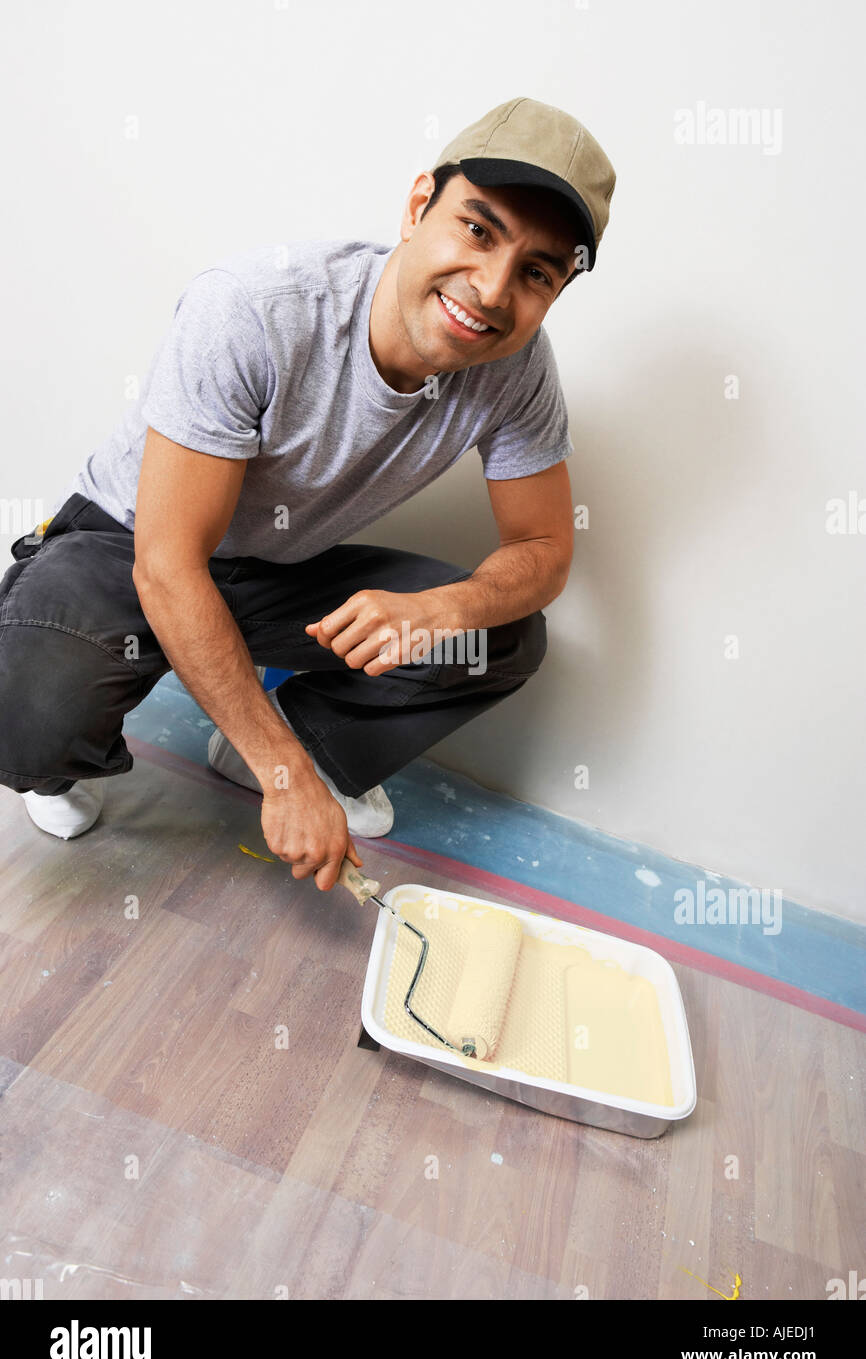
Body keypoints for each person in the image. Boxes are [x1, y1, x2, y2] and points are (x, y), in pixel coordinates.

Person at [0, 96, 615, 891]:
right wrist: (286, 779)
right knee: (24, 723)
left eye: (536, 272)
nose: (494, 291)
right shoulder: (255, 310)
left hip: (274, 566)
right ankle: (64, 758)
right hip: (131, 546)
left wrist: (444, 611)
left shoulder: (519, 370)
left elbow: (543, 551)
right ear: (418, 205)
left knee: (500, 635)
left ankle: (286, 739)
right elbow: (167, 565)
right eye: (478, 228)